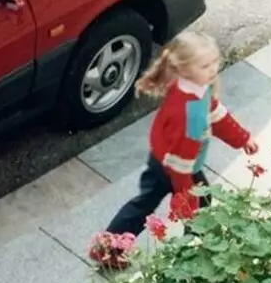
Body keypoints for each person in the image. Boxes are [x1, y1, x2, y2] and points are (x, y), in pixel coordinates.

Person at [103, 31, 258, 245]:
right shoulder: (189, 113)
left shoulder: (193, 88)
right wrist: (185, 197)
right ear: (184, 69)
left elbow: (215, 113)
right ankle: (195, 251)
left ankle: (109, 246)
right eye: (205, 66)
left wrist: (242, 138)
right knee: (197, 206)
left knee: (144, 203)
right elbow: (181, 163)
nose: (213, 69)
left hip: (164, 158)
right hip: (177, 166)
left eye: (214, 62)